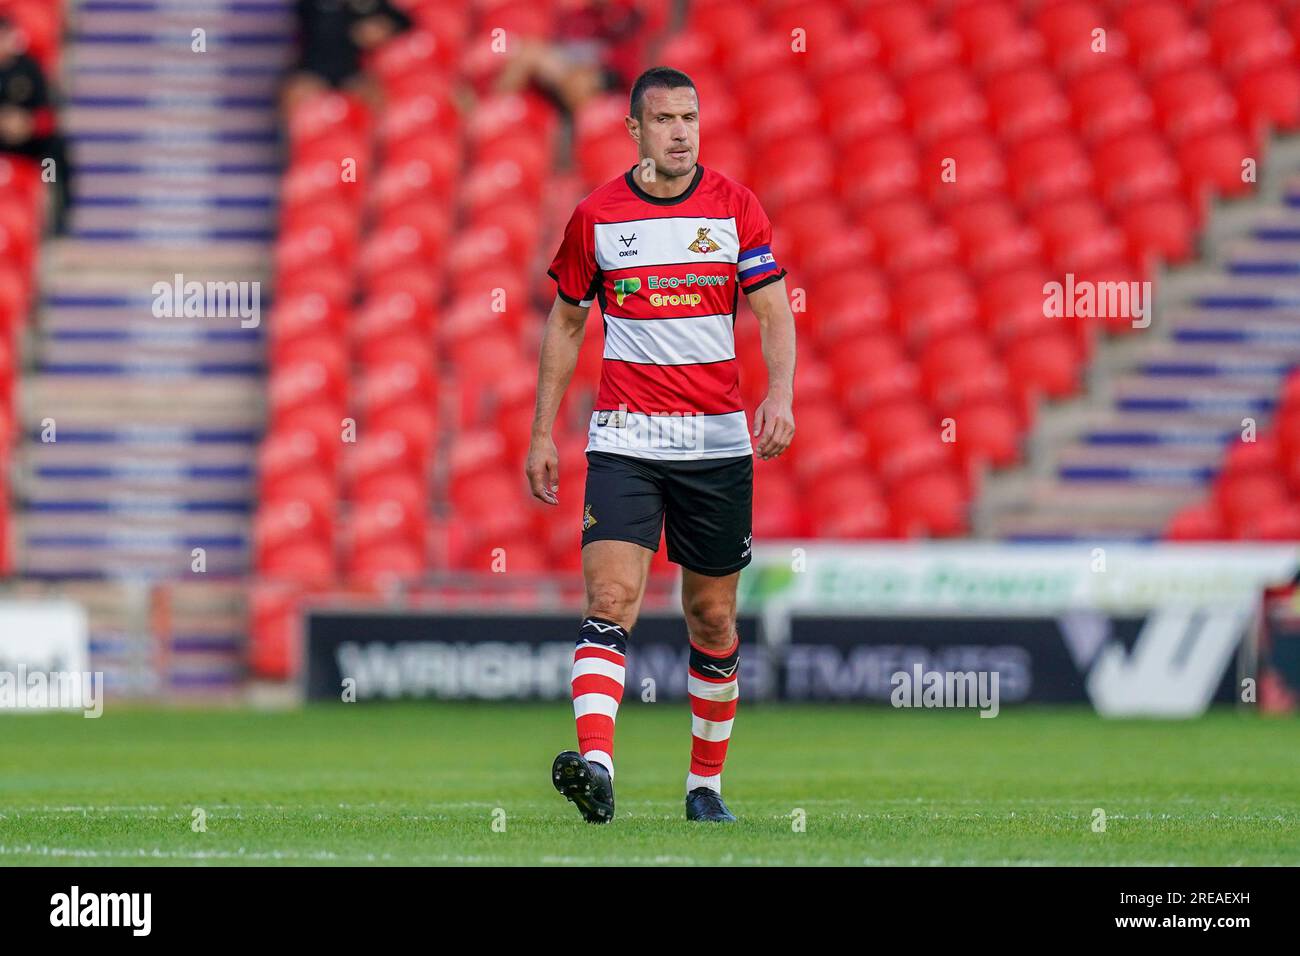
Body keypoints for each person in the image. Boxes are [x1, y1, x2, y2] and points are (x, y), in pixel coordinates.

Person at [526, 67, 797, 824]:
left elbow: (774, 312)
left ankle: (704, 787)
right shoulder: (597, 217)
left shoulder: (736, 208)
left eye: (691, 118)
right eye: (666, 119)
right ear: (635, 132)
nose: (681, 131)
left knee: (711, 618)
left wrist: (779, 395)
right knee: (609, 599)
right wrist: (542, 431)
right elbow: (567, 322)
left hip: (715, 445)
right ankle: (599, 768)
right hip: (627, 439)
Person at [0, 14, 70, 234]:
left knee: (53, 152)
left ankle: (54, 213)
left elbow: (48, 116)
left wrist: (27, 125)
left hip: (29, 145)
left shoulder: (29, 68)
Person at [283, 0, 412, 112]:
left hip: (355, 69)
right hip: (314, 68)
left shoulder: (374, 4)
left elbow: (403, 23)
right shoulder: (312, 4)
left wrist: (384, 29)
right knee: (297, 93)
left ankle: (375, 140)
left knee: (375, 95)